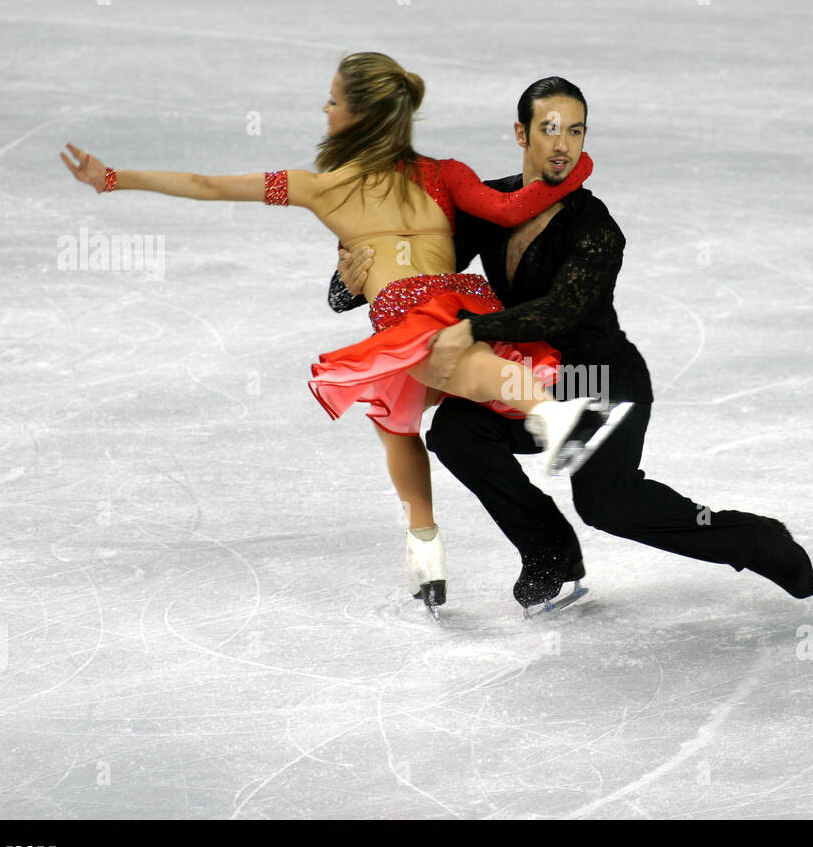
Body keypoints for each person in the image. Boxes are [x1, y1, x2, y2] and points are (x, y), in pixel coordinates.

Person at [61, 52, 626, 616]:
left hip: (418, 314)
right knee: (397, 423)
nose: (326, 109)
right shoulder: (433, 173)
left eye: (334, 101)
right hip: (443, 301)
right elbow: (510, 207)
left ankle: (558, 421)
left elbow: (207, 184)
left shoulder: (322, 187)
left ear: (363, 116)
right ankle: (426, 549)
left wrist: (116, 179)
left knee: (441, 361)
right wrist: (578, 166)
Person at [334, 76, 813, 611]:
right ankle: (549, 551)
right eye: (549, 129)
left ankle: (756, 540)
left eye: (576, 130)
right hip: (531, 378)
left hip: (601, 382)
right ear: (521, 134)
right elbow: (422, 266)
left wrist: (472, 329)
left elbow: (561, 310)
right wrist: (351, 279)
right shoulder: (488, 205)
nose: (563, 143)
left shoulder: (594, 226)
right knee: (456, 433)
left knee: (608, 506)